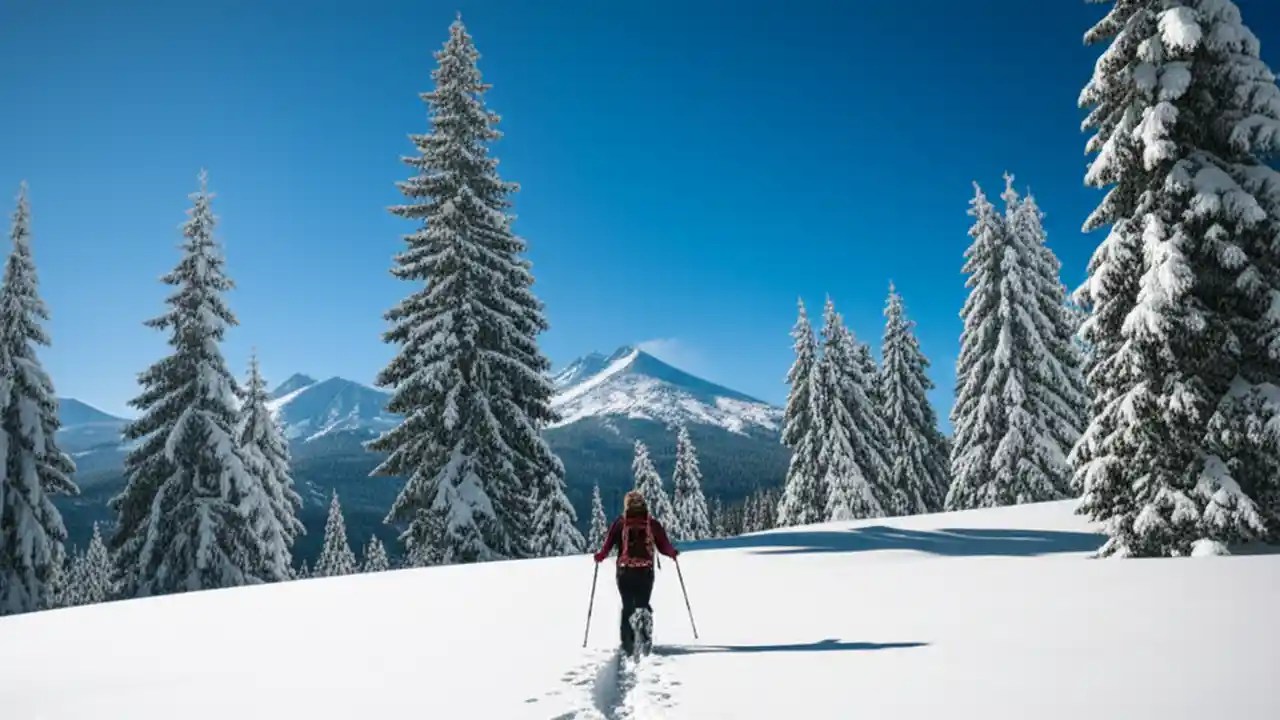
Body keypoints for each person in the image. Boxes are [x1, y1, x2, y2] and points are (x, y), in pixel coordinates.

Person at [593, 490, 679, 657]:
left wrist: (600, 556)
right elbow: (664, 546)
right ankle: (645, 639)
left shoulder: (620, 523)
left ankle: (627, 644)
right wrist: (673, 553)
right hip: (645, 571)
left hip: (624, 572)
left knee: (627, 606)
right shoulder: (652, 524)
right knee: (643, 604)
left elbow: (607, 546)